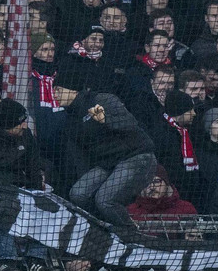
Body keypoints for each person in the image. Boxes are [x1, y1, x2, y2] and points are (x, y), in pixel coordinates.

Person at [51, 62, 157, 227]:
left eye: (58, 89)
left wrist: (106, 120)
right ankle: (100, 228)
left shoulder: (102, 99)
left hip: (135, 157)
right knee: (78, 194)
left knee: (105, 200)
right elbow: (81, 157)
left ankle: (131, 236)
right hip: (107, 165)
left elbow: (131, 124)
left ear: (72, 89)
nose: (54, 94)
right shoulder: (70, 121)